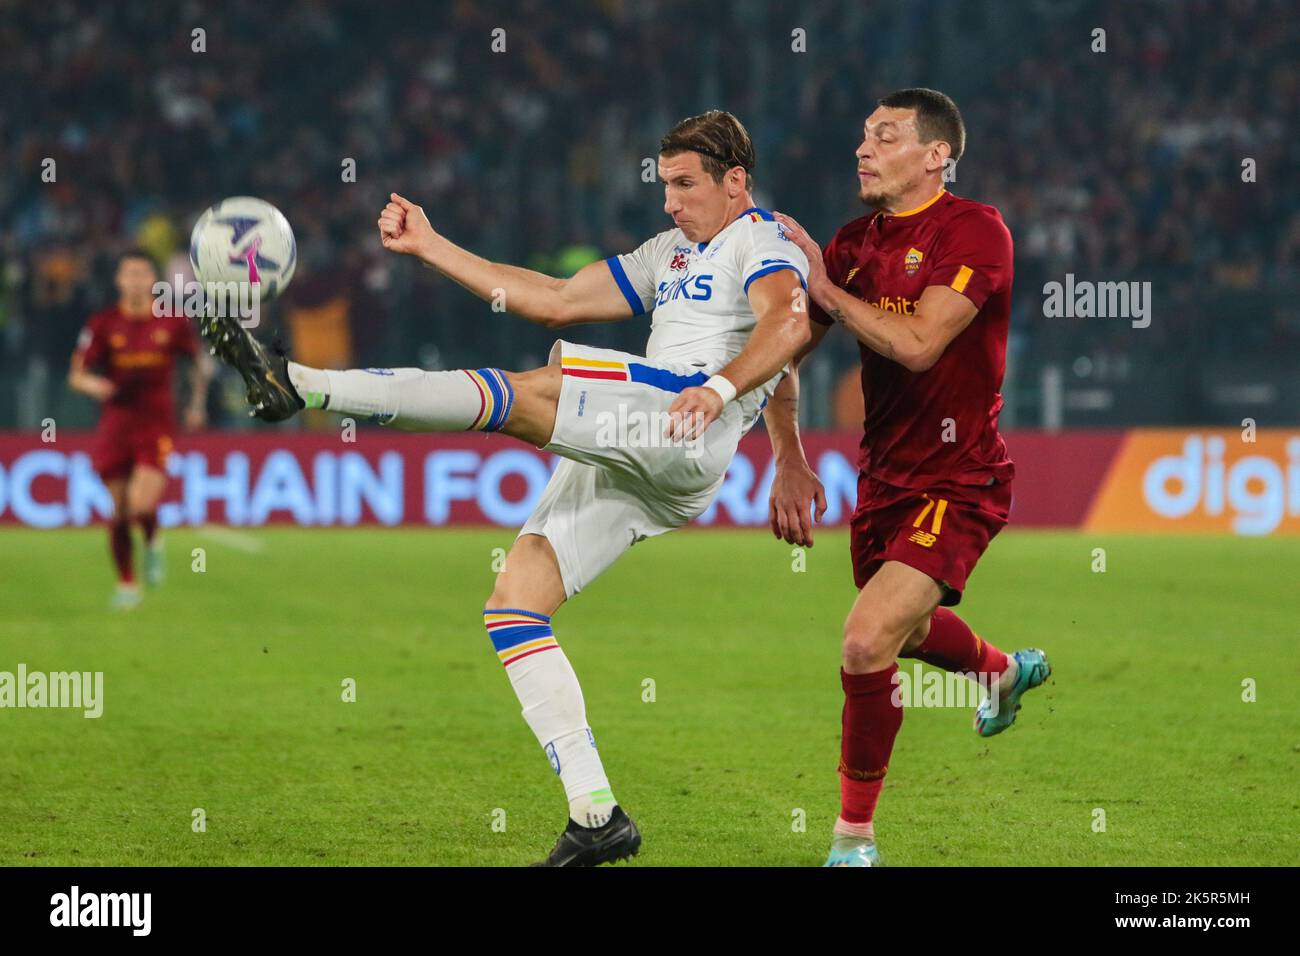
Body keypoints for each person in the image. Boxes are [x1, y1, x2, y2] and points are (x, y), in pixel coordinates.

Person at [200, 111, 814, 866]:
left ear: (736, 182)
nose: (670, 202)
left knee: (533, 392)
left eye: (685, 185)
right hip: (656, 455)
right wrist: (431, 247)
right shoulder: (672, 253)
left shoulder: (763, 240)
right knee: (514, 605)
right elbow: (554, 297)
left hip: (685, 420)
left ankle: (300, 383)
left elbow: (787, 326)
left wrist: (720, 392)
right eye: (665, 186)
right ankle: (596, 816)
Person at [769, 89, 1052, 866]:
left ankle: (853, 841)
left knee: (865, 644)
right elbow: (782, 356)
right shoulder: (852, 243)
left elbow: (922, 341)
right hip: (883, 483)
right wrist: (789, 458)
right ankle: (1000, 671)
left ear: (935, 155)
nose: (863, 148)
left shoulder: (975, 229)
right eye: (862, 134)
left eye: (885, 135)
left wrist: (828, 293)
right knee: (910, 630)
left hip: (960, 479)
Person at [69, 249, 211, 609]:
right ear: (119, 280)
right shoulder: (103, 323)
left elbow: (198, 366)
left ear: (153, 280)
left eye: (142, 274)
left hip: (156, 423)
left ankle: (151, 540)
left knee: (140, 503)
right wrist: (94, 386)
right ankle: (127, 584)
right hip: (116, 423)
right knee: (117, 511)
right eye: (128, 274)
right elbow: (77, 374)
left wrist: (196, 404)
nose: (135, 280)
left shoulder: (173, 321)